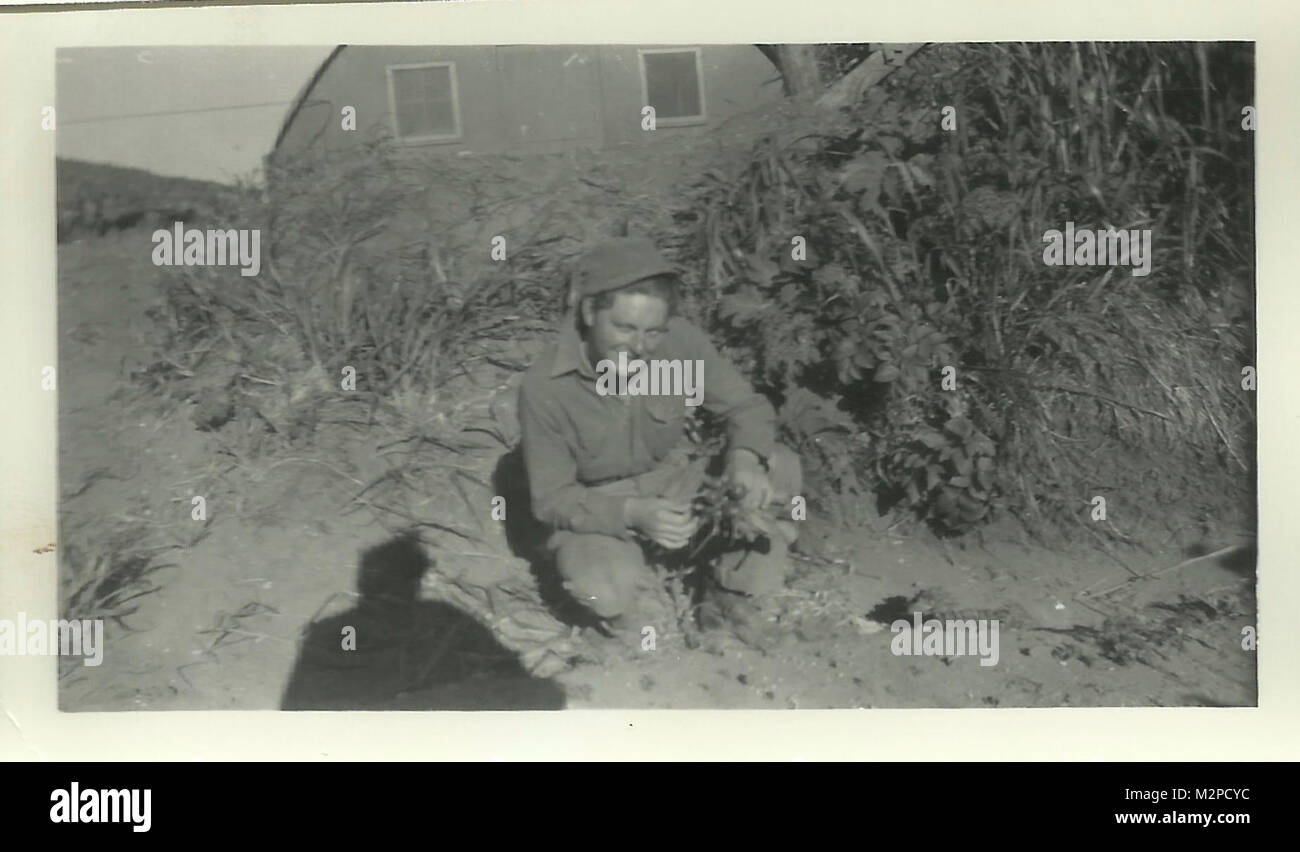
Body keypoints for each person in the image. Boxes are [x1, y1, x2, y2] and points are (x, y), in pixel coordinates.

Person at [517, 236, 803, 646]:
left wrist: (744, 459)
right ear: (588, 310)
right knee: (598, 583)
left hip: (673, 487)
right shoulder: (545, 386)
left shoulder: (678, 344)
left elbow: (747, 407)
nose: (637, 347)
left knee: (780, 467)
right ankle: (627, 611)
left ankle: (726, 594)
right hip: (602, 510)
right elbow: (551, 499)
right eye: (624, 328)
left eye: (652, 332)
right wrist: (632, 514)